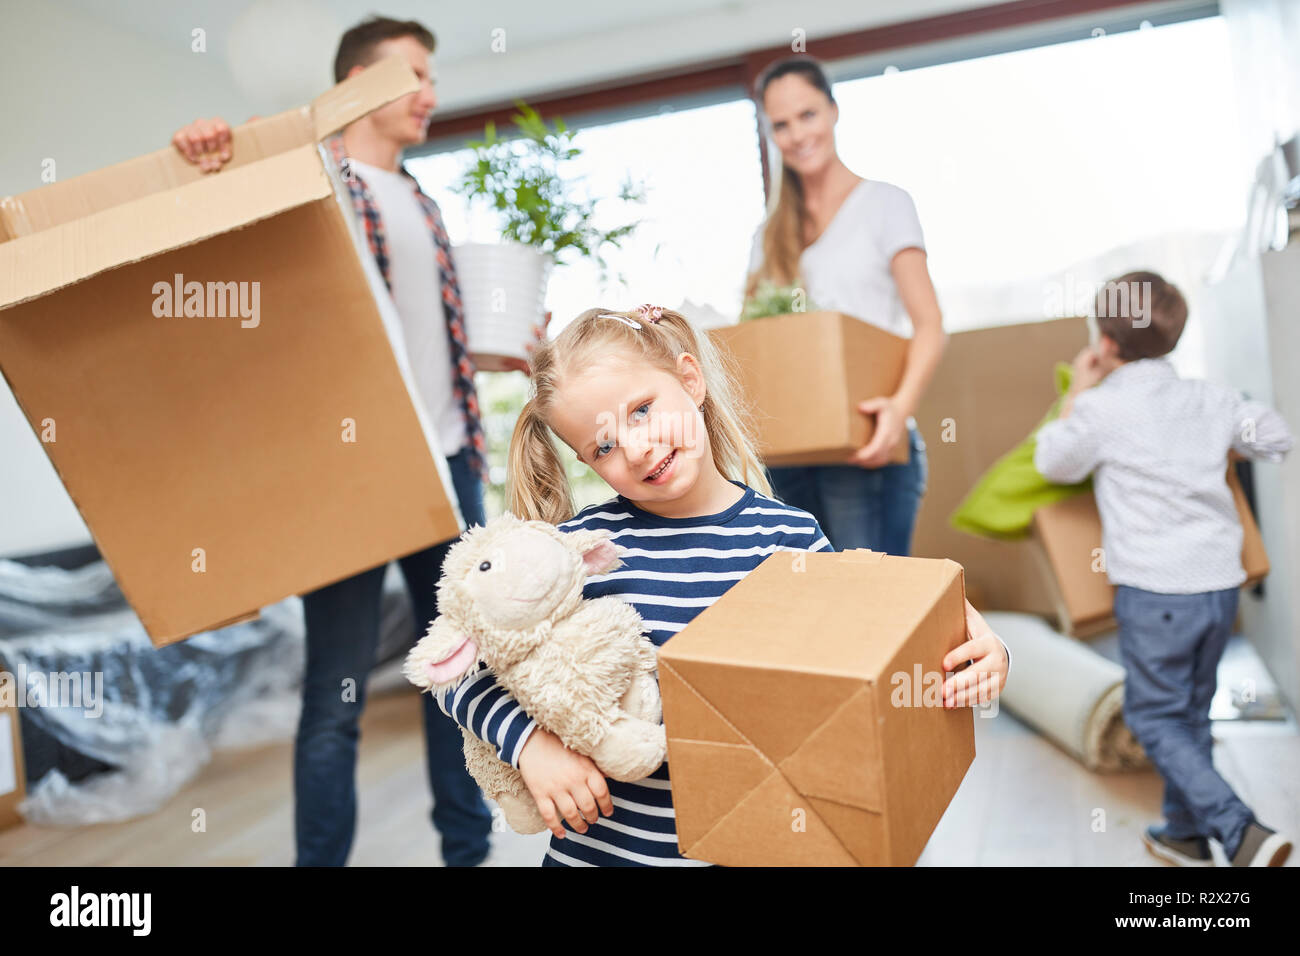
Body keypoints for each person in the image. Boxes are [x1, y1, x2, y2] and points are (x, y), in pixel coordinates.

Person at [435, 304, 1010, 866]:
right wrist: (531, 747)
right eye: (602, 447)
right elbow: (452, 665)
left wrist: (978, 639)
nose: (635, 448)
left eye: (642, 410)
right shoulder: (573, 552)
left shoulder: (790, 540)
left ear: (691, 379)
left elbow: (876, 637)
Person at [171, 16, 536, 866]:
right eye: (415, 75)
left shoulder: (420, 198)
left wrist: (503, 350)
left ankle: (466, 850)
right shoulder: (306, 184)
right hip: (349, 471)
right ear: (358, 86)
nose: (432, 95)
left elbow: (422, 345)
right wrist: (203, 152)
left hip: (448, 463)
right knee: (335, 697)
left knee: (458, 677)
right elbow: (216, 219)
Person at [1035, 271, 1294, 868]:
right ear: (1174, 337)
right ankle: (1183, 834)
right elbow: (1276, 438)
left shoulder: (1102, 408)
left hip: (1156, 593)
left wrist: (1077, 388)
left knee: (1154, 716)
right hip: (1220, 592)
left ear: (1104, 342)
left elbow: (1053, 461)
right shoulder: (1212, 399)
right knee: (1190, 715)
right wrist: (1218, 441)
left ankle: (1240, 829)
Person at [745, 56, 946, 555]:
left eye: (808, 115)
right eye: (781, 125)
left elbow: (930, 325)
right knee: (815, 612)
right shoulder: (767, 237)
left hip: (866, 442)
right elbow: (756, 342)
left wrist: (899, 410)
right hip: (790, 452)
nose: (796, 135)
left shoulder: (884, 205)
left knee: (874, 609)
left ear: (833, 111)